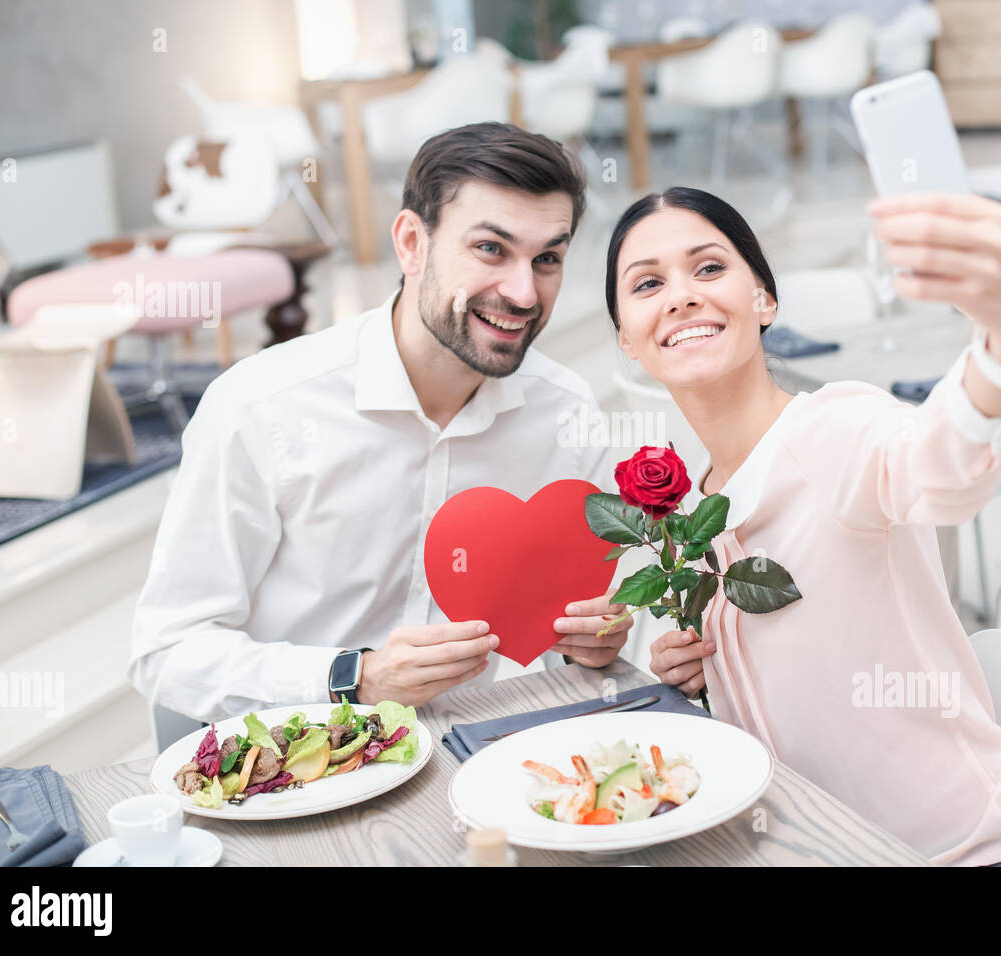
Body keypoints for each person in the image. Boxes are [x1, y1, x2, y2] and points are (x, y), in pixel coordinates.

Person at [607, 185, 1001, 867]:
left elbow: (942, 464)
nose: (682, 295)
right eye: (649, 282)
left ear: (764, 300)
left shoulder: (835, 429)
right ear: (628, 340)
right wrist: (698, 677)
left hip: (984, 855)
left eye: (710, 268)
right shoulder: (696, 519)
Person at [129, 123, 630, 724]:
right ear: (412, 244)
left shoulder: (566, 414)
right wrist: (356, 678)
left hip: (473, 757)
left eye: (547, 258)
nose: (523, 293)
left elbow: (586, 629)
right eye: (491, 249)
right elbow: (166, 651)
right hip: (293, 764)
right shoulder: (260, 407)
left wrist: (596, 645)